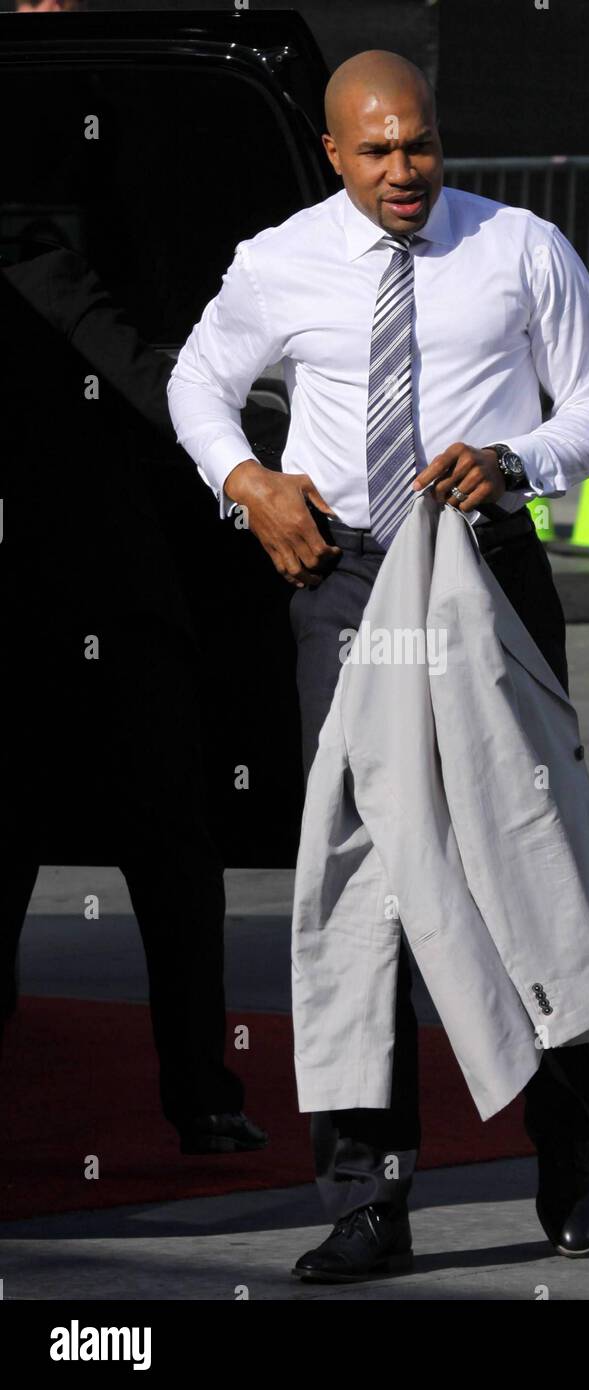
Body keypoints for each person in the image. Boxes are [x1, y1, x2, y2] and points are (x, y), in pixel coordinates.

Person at [167, 49, 589, 1279]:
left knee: (523, 851)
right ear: (333, 153)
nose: (402, 169)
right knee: (359, 882)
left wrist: (518, 459)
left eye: (418, 143)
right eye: (375, 150)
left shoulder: (519, 247)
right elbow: (197, 381)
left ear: (440, 137)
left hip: (487, 571)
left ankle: (564, 1125)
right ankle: (370, 1197)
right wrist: (249, 482)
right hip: (346, 583)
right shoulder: (279, 260)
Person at [0, 241, 269, 1155]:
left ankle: (202, 1091)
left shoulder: (44, 276)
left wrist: (248, 458)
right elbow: (159, 394)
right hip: (108, 613)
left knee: (163, 857)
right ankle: (201, 1095)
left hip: (103, 615)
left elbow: (161, 395)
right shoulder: (49, 277)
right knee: (169, 860)